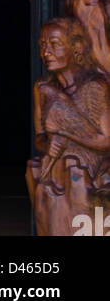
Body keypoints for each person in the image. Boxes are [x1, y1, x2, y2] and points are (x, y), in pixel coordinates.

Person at [27, 17, 110, 236]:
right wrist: (47, 145)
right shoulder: (42, 88)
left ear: (75, 48)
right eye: (42, 46)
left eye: (54, 45)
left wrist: (64, 125)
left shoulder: (93, 86)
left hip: (86, 169)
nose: (46, 52)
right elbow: (40, 137)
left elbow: (104, 140)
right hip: (56, 171)